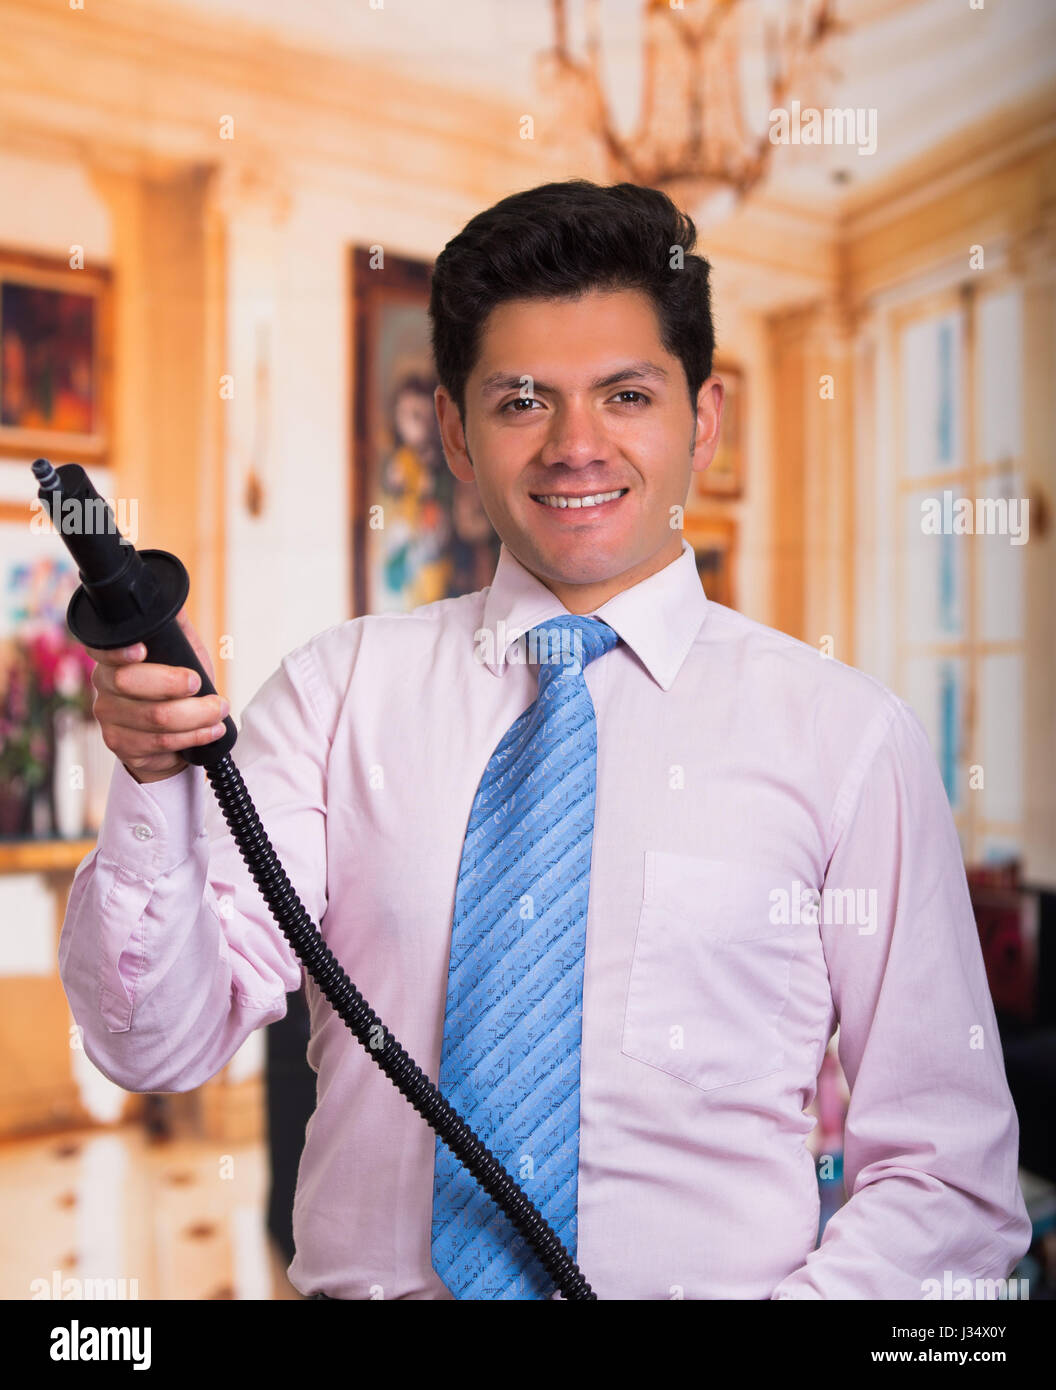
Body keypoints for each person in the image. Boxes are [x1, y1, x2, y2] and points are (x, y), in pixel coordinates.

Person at [59, 179, 1032, 1300]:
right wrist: (151, 784)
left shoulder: (850, 740)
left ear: (702, 421)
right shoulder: (337, 694)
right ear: (459, 435)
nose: (577, 446)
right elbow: (153, 1046)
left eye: (625, 394)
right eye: (522, 401)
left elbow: (949, 1174)